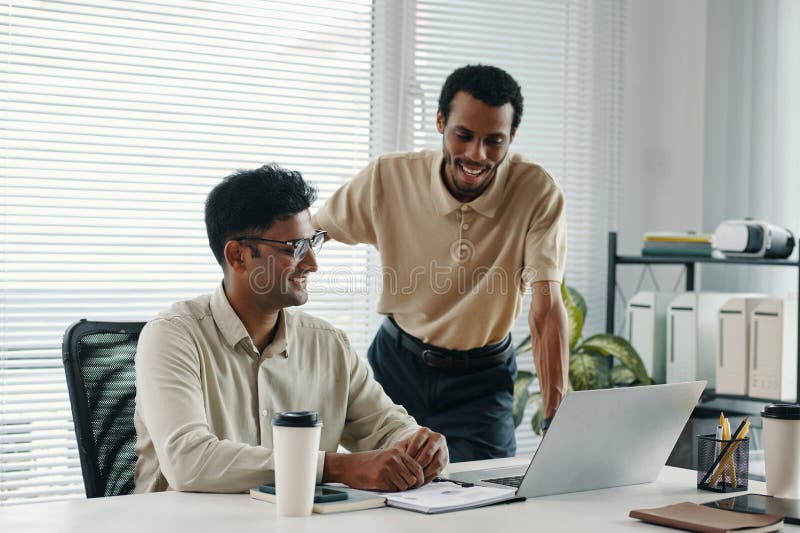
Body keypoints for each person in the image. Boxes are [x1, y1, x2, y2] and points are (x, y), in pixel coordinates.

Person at [134, 164, 448, 493]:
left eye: (313, 242)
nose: (312, 263)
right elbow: (189, 462)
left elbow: (386, 428)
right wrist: (336, 466)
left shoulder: (329, 345)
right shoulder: (171, 337)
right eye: (294, 248)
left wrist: (420, 448)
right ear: (238, 255)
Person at [313, 64, 569, 462]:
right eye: (463, 136)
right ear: (439, 123)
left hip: (481, 381)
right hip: (399, 365)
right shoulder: (389, 177)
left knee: (486, 500)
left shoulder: (536, 191)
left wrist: (556, 413)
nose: (476, 155)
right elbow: (314, 231)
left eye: (494, 141)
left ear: (512, 137)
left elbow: (547, 308)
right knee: (387, 495)